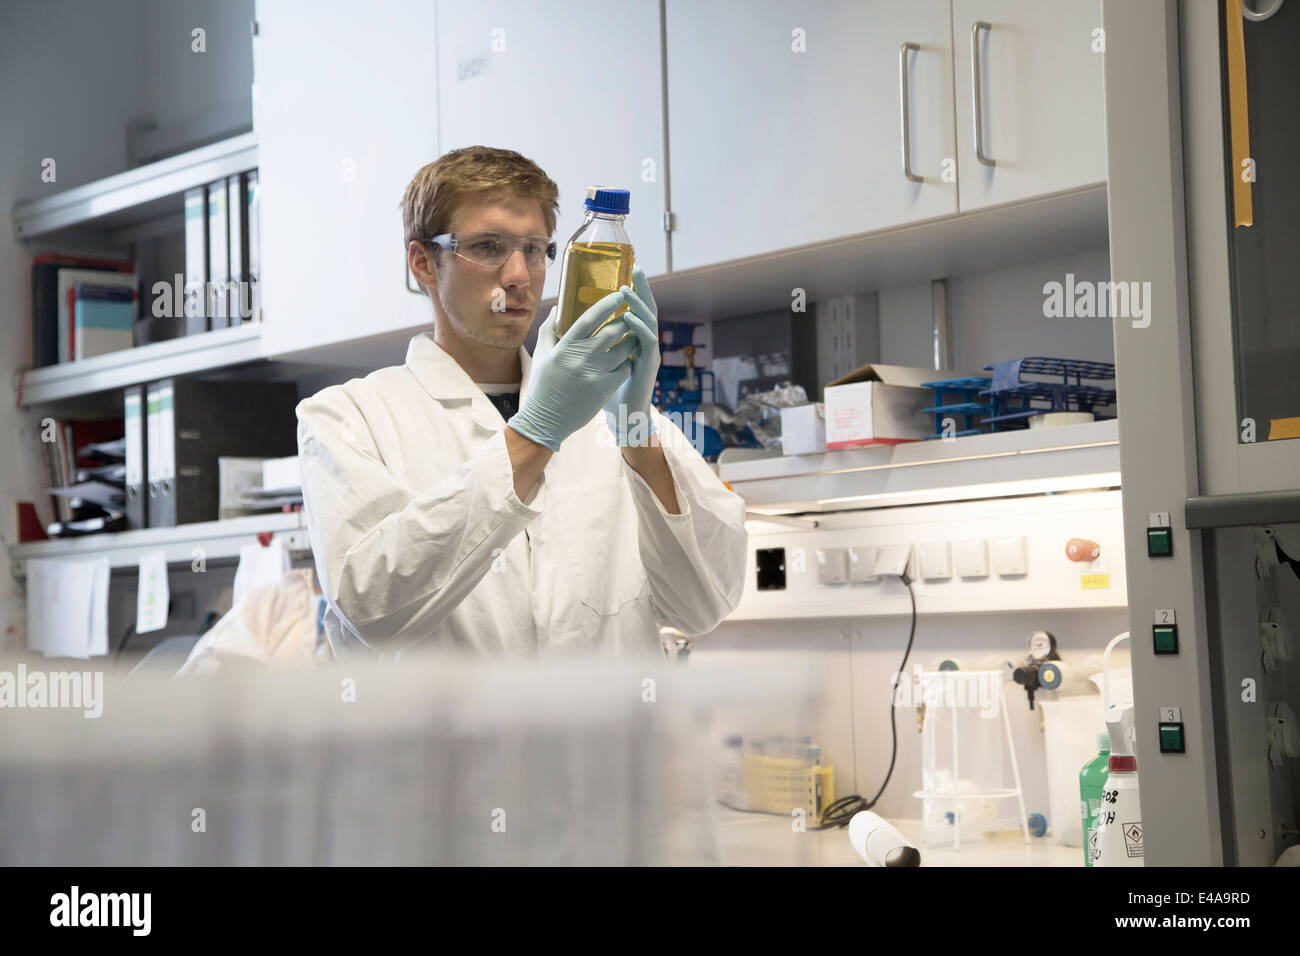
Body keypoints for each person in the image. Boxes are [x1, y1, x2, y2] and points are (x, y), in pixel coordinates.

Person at [296, 146, 748, 657]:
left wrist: (637, 433)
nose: (519, 274)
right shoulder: (348, 417)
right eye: (488, 246)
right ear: (423, 262)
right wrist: (538, 429)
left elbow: (704, 604)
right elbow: (370, 608)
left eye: (535, 249)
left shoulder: (618, 413)